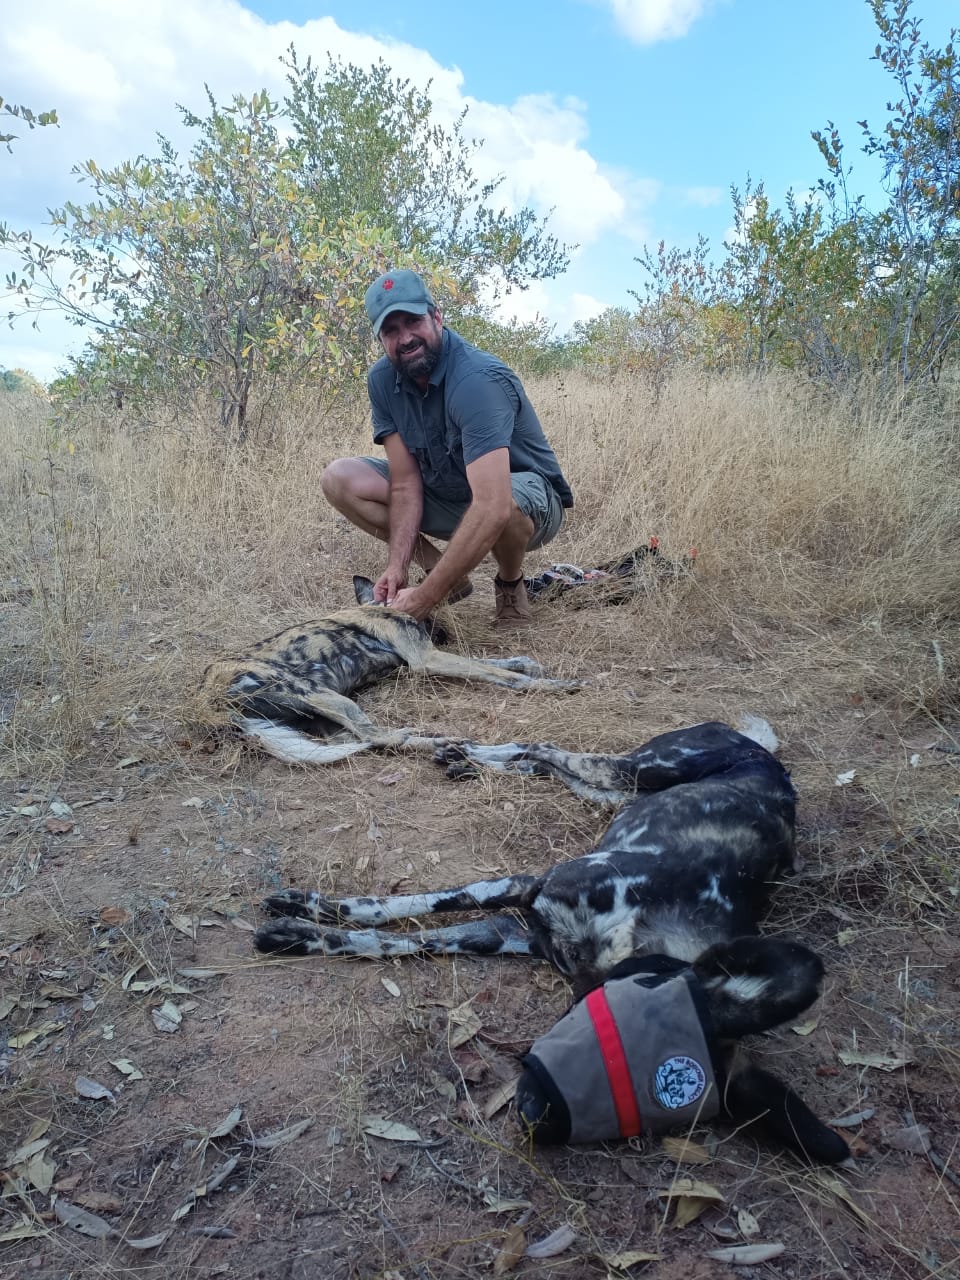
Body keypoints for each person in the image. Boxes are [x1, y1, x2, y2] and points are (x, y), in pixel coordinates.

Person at [321, 270, 573, 628]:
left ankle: (509, 585)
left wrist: (423, 600)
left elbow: (492, 504)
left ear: (437, 316)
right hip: (450, 492)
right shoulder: (382, 380)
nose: (405, 338)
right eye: (391, 331)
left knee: (506, 504)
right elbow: (406, 483)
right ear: (379, 339)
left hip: (524, 501)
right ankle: (445, 573)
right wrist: (397, 565)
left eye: (413, 321)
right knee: (338, 478)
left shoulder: (476, 380)